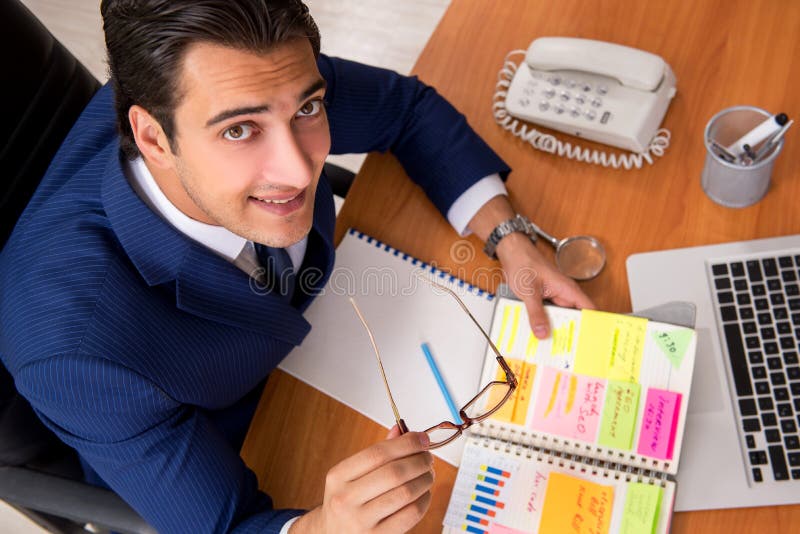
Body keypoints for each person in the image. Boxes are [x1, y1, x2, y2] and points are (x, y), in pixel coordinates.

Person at [0, 1, 593, 532]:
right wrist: (326, 527)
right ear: (153, 139)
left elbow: (406, 111)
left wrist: (510, 238)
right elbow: (228, 526)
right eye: (241, 130)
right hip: (238, 433)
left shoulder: (259, 79)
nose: (299, 170)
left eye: (307, 108)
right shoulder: (76, 353)